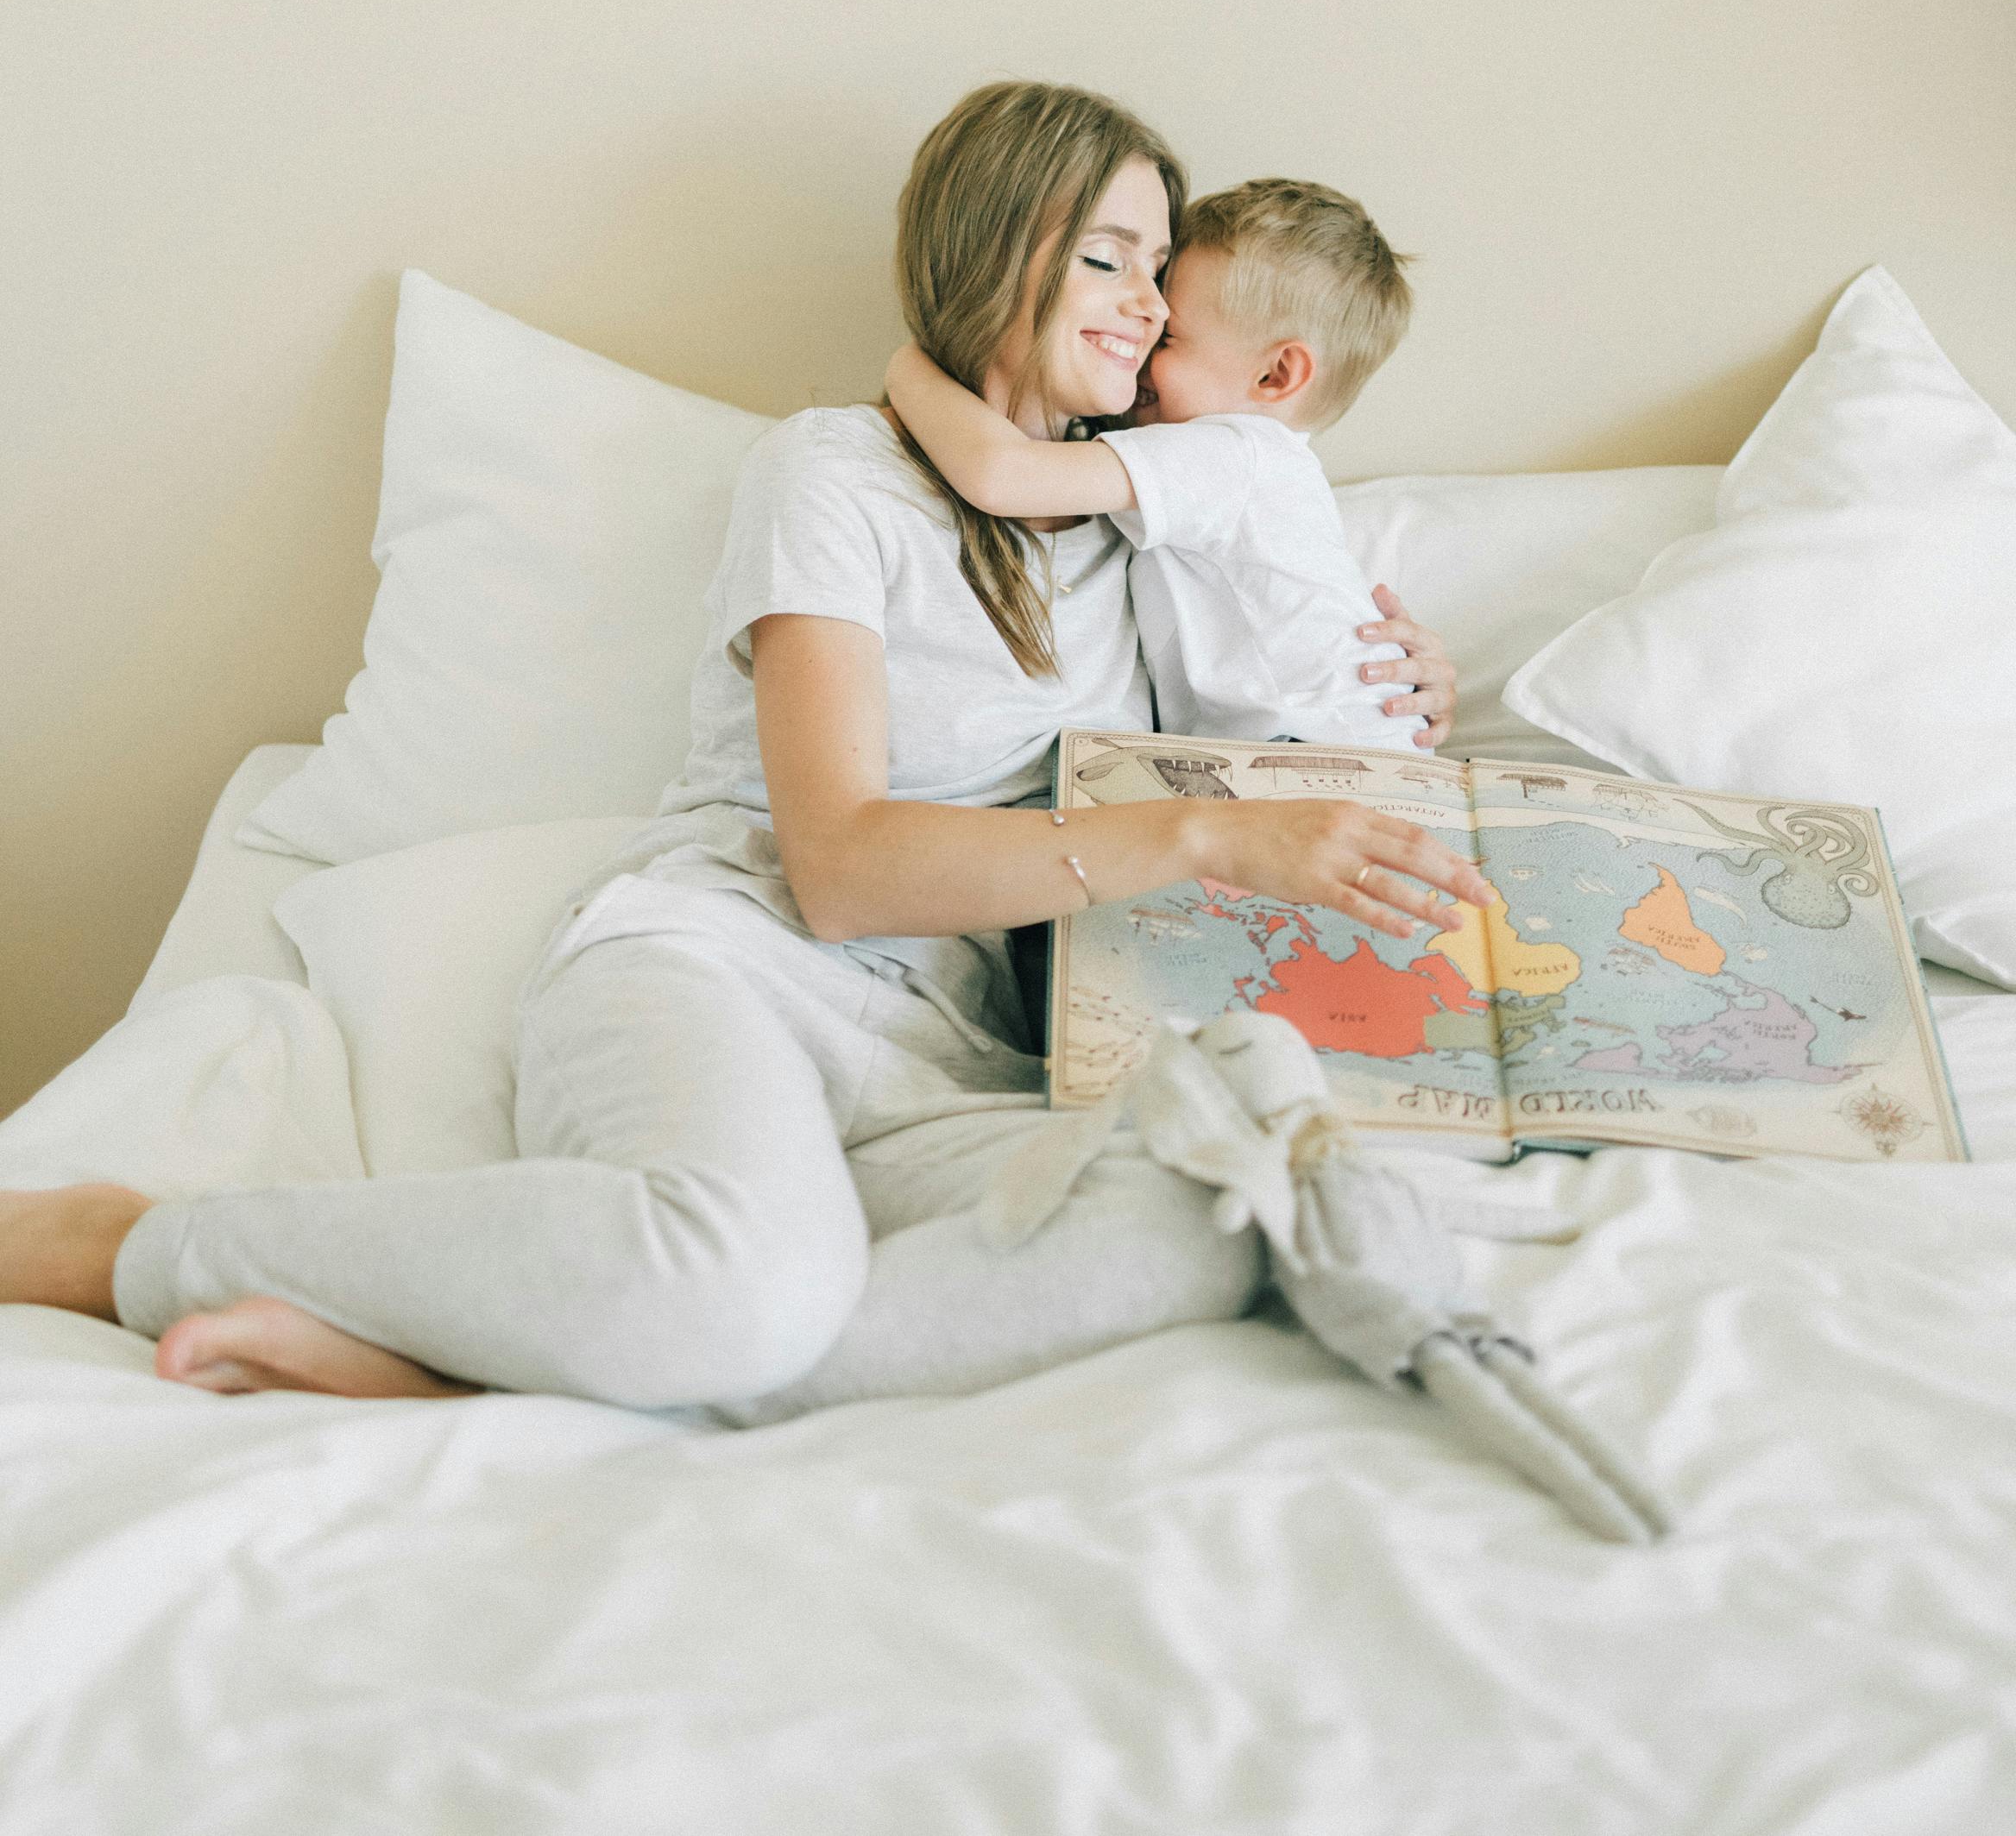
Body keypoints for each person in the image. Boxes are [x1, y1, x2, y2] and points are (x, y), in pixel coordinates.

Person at [0, 80, 1482, 1416]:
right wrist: (1215, 834)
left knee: (1218, 1216)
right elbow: (836, 868)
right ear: (994, 252)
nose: (1151, 307)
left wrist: (1388, 679)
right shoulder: (834, 475)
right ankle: (134, 1240)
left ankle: (473, 1355)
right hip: (734, 965)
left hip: (955, 1056)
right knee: (733, 1287)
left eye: (1162, 271)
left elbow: (1266, 671)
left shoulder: (1151, 539)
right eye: (1109, 256)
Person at [885, 173, 1429, 750]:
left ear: (1275, 376)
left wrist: (909, 365)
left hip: (1326, 754)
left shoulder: (1232, 455)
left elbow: (1002, 475)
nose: (1140, 351)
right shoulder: (1257, 468)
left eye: (1169, 340)